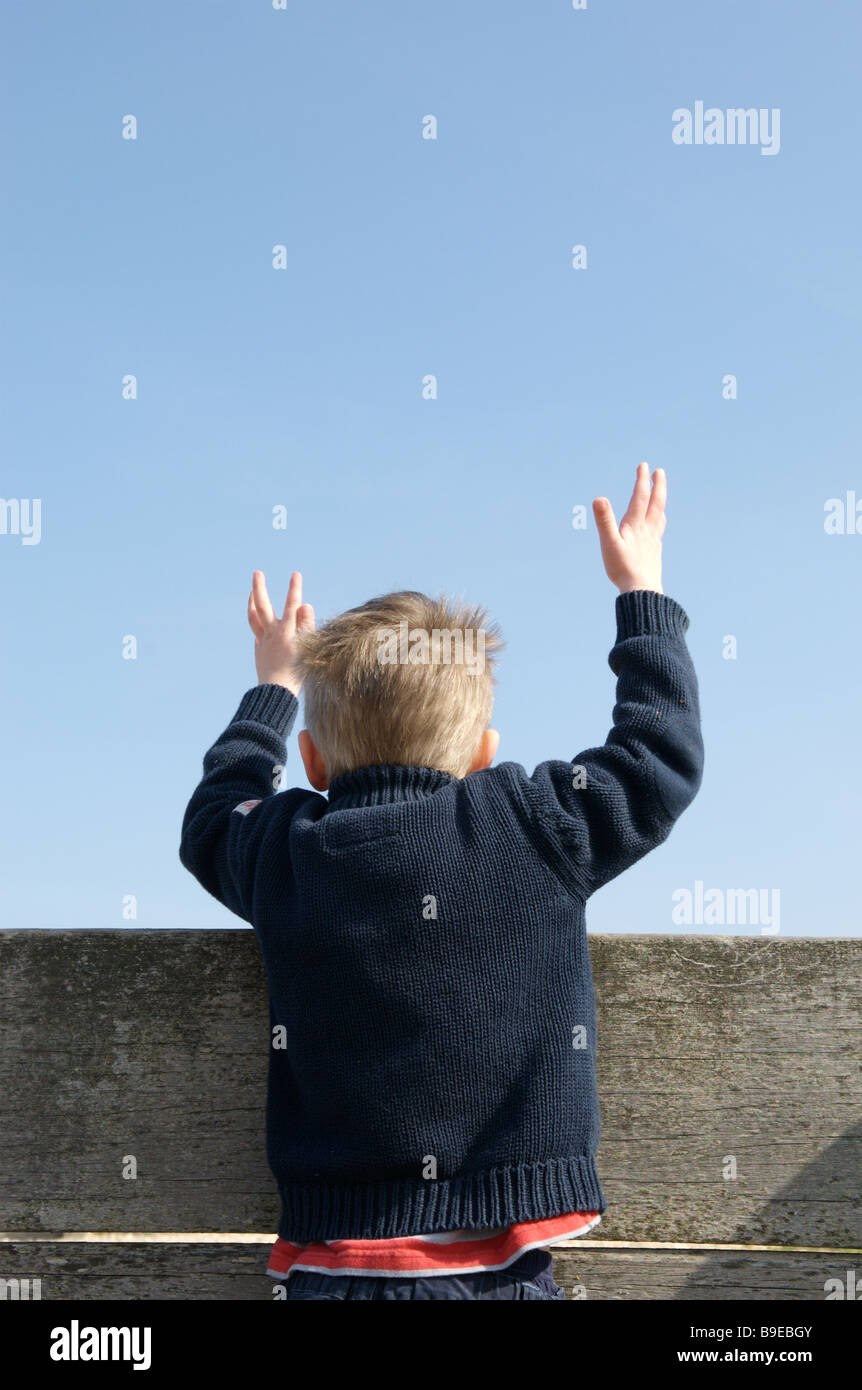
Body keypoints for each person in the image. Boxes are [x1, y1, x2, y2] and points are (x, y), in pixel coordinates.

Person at [179, 462, 704, 1300]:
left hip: (332, 1271)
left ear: (312, 761)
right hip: (498, 1271)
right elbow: (657, 761)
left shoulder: (288, 848)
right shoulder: (532, 824)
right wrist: (641, 593)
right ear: (483, 752)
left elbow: (214, 817)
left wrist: (271, 688)